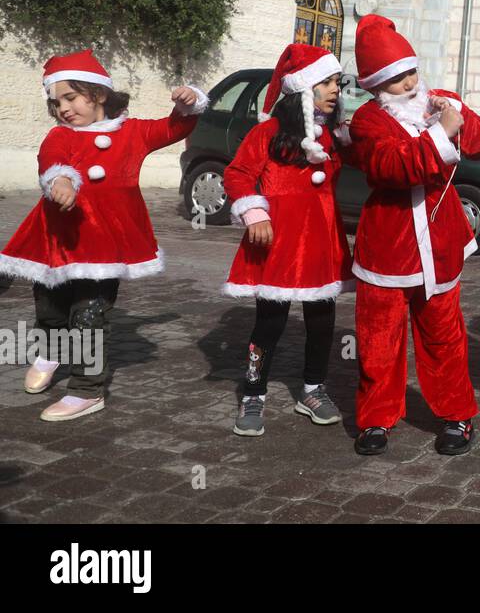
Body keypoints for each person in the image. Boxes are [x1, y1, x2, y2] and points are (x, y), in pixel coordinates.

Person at [0, 49, 207, 421]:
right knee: (49, 307)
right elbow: (50, 158)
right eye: (56, 101)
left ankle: (86, 390)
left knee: (89, 315)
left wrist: (188, 102)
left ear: (97, 94)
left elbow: (174, 128)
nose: (63, 108)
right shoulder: (60, 135)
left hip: (105, 245)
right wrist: (60, 178)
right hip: (57, 240)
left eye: (70, 97)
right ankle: (49, 352)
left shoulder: (133, 132)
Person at [347, 15, 480, 456]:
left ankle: (456, 415)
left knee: (445, 337)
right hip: (387, 247)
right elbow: (391, 168)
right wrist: (441, 133)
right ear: (376, 86)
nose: (408, 83)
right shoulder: (367, 122)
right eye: (395, 79)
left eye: (410, 72)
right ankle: (375, 418)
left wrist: (461, 118)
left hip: (440, 244)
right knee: (378, 341)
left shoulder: (439, 100)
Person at [223, 43, 355, 437]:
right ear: (302, 89)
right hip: (278, 243)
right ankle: (252, 392)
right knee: (270, 322)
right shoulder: (268, 132)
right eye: (327, 82)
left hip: (321, 243)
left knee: (321, 320)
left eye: (337, 82)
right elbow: (238, 174)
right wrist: (254, 212)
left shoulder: (334, 136)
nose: (335, 90)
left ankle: (313, 390)